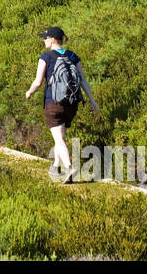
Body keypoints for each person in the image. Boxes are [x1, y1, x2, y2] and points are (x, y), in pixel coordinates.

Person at [25, 26, 98, 183]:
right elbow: (83, 80)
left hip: (53, 102)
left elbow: (38, 82)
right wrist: (92, 100)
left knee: (59, 139)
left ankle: (69, 166)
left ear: (52, 40)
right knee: (61, 137)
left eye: (45, 38)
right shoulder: (73, 56)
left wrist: (29, 92)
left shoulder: (46, 56)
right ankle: (56, 166)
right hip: (71, 103)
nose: (44, 40)